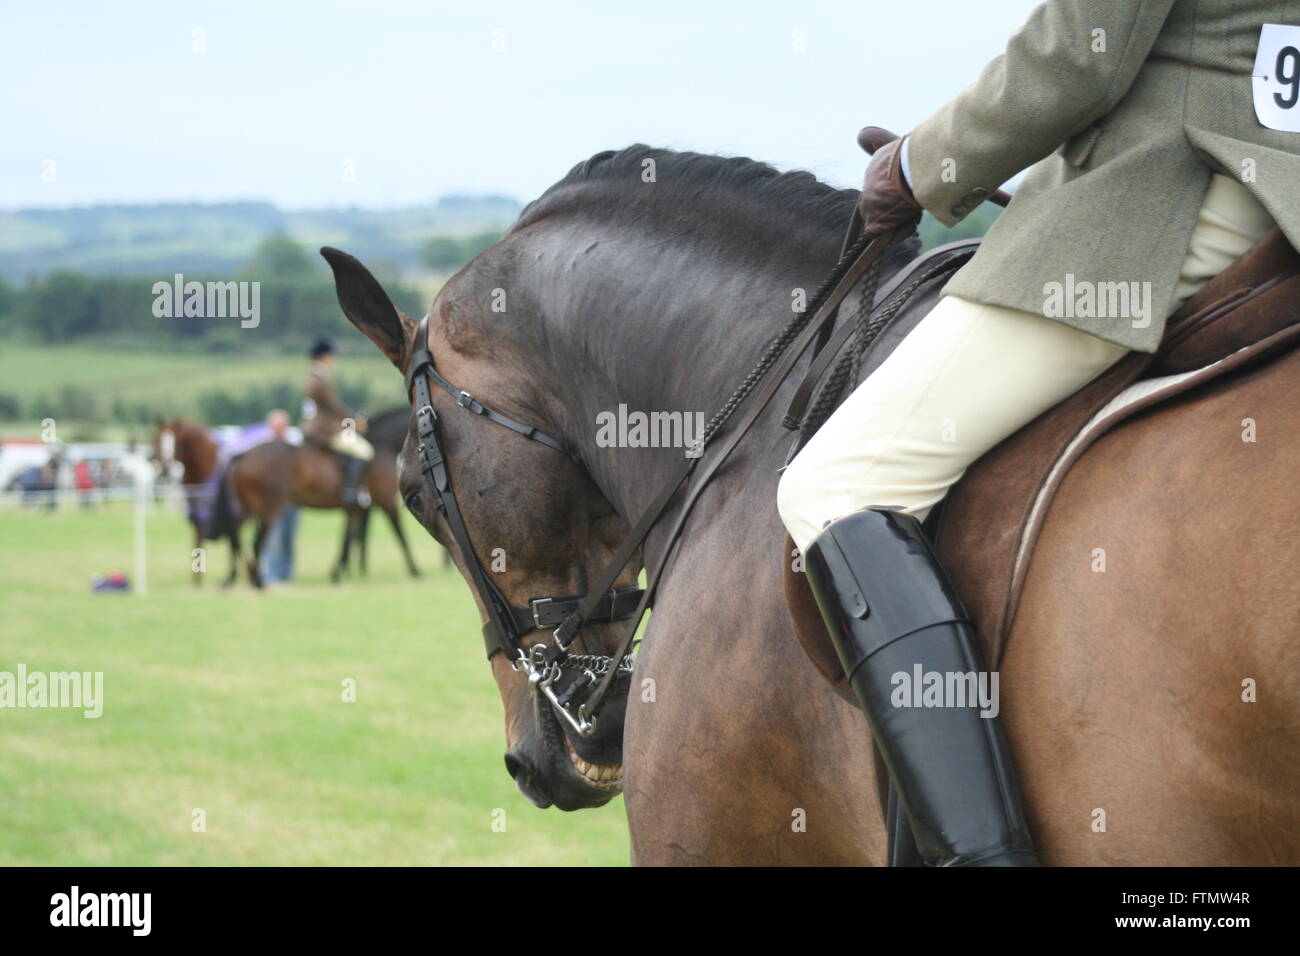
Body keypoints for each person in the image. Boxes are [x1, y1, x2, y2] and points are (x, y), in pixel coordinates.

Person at [777, 0, 1300, 867]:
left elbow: (1080, 55)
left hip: (1176, 202)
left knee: (836, 483)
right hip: (1276, 201)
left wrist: (916, 167)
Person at [301, 338, 373, 506]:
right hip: (324, 430)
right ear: (325, 356)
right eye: (331, 356)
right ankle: (351, 491)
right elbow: (335, 407)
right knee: (364, 450)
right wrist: (355, 421)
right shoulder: (321, 380)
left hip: (311, 427)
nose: (332, 360)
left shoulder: (312, 378)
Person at [259, 409, 300, 584]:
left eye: (281, 426)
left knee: (289, 538)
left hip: (292, 500)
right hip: (271, 503)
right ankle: (272, 575)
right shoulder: (264, 449)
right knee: (273, 539)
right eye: (275, 426)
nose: (278, 429)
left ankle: (287, 573)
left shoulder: (295, 447)